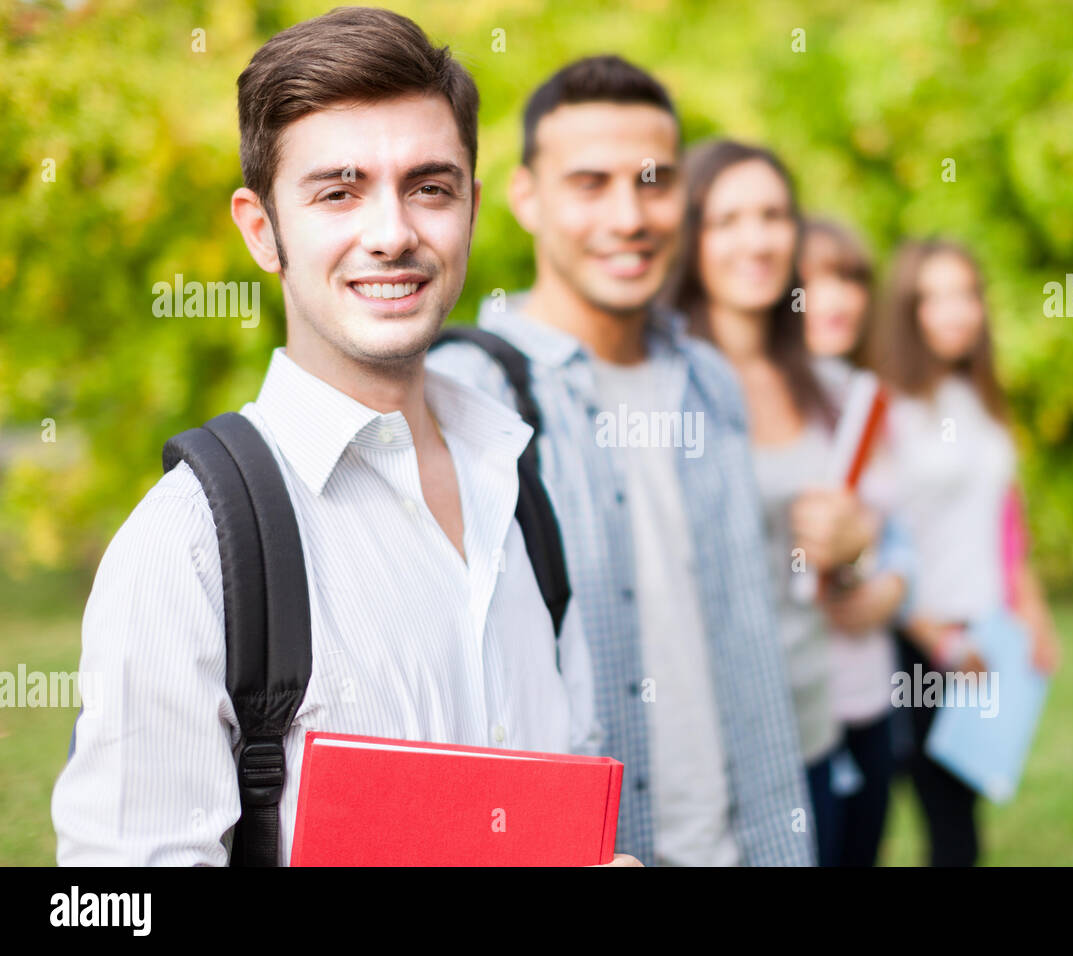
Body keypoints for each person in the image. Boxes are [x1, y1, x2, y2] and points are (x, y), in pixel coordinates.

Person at [50, 7, 640, 866]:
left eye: (429, 187)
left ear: (471, 209)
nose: (393, 233)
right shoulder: (188, 546)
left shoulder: (519, 485)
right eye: (338, 191)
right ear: (262, 230)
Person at [428, 59, 813, 866]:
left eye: (653, 181)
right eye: (590, 183)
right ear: (526, 198)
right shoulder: (468, 396)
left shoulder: (711, 379)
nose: (629, 214)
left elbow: (748, 639)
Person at [663, 139, 910, 866]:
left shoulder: (825, 384)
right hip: (718, 743)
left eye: (773, 216)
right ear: (691, 238)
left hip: (818, 718)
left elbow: (874, 535)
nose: (757, 239)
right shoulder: (663, 382)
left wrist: (859, 549)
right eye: (727, 219)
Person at [869, 238, 1061, 866]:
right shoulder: (886, 407)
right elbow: (878, 546)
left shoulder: (980, 397)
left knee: (963, 826)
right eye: (935, 297)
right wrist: (945, 646)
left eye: (966, 294)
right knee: (941, 823)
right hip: (922, 645)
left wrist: (1033, 614)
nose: (956, 312)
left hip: (989, 637)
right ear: (907, 310)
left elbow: (1005, 517)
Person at [798, 215, 900, 867]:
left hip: (872, 688)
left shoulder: (867, 398)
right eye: (814, 282)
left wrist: (894, 579)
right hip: (801, 704)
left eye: (851, 279)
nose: (838, 299)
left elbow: (902, 530)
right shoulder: (757, 400)